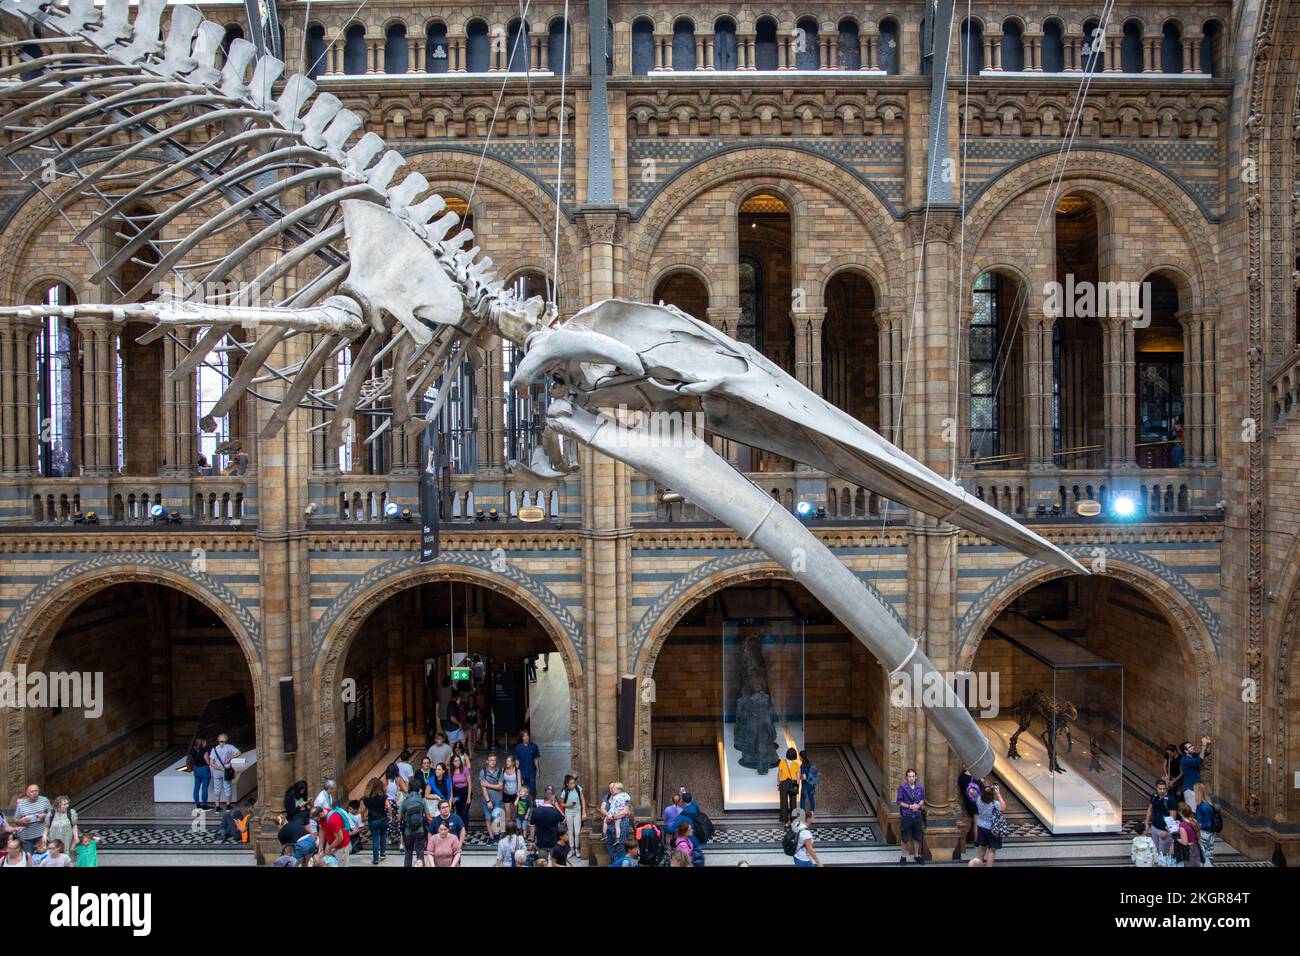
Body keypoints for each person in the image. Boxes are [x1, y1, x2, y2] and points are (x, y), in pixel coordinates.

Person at [1145, 778, 1179, 863]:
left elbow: (1173, 817)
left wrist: (1166, 831)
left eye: (1164, 788)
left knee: (1163, 854)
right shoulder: (1154, 796)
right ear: (1156, 788)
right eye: (1160, 788)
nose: (1162, 790)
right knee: (1155, 851)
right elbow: (1150, 809)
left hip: (1164, 830)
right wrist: (1146, 823)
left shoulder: (1171, 800)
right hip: (1154, 827)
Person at [207, 733, 242, 813]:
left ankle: (217, 807)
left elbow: (211, 763)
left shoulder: (214, 749)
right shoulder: (230, 747)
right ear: (226, 739)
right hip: (226, 770)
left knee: (217, 788)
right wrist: (231, 757)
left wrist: (219, 768)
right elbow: (239, 752)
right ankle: (228, 806)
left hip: (217, 771)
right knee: (227, 787)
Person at [897, 768, 926, 865]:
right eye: (909, 776)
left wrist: (918, 805)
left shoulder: (920, 787)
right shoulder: (902, 788)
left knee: (917, 837)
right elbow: (899, 802)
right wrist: (910, 806)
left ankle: (917, 856)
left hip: (917, 815)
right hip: (907, 816)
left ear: (916, 777)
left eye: (913, 776)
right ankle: (903, 857)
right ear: (906, 778)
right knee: (905, 837)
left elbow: (923, 799)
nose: (911, 778)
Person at [974, 778, 1006, 867]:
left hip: (981, 826)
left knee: (982, 846)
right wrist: (998, 793)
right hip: (992, 828)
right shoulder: (995, 804)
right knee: (992, 850)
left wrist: (986, 785)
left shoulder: (978, 801)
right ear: (992, 796)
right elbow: (1003, 807)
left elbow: (984, 793)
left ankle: (979, 863)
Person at [14, 783, 51, 853]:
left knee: (43, 857)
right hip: (26, 836)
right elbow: (16, 820)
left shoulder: (44, 800)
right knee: (28, 857)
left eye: (36, 791)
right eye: (32, 791)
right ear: (27, 793)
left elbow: (52, 814)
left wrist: (45, 815)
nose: (35, 793)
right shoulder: (21, 804)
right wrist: (22, 820)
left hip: (41, 834)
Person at [362, 778, 389, 865]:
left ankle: (375, 859)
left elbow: (364, 809)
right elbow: (389, 807)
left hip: (372, 820)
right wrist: (390, 816)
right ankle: (383, 854)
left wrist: (363, 816)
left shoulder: (365, 799)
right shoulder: (383, 797)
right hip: (383, 818)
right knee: (383, 835)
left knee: (375, 839)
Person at [1179, 736, 1212, 808]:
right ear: (1186, 751)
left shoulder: (1193, 755)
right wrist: (1203, 745)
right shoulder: (1184, 760)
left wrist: (1208, 744)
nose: (1193, 747)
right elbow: (1200, 759)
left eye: (1192, 745)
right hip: (1189, 789)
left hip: (1196, 788)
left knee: (1200, 809)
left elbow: (1207, 752)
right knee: (1193, 811)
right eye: (1190, 747)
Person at [530, 792, 566, 856]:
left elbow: (532, 827)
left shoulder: (535, 811)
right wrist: (557, 807)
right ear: (552, 801)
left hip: (541, 842)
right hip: (553, 842)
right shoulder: (555, 811)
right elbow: (564, 820)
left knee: (542, 863)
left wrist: (532, 841)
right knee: (554, 863)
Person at [559, 773, 587, 854]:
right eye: (571, 783)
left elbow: (583, 800)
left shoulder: (578, 788)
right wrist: (568, 805)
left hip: (577, 811)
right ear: (567, 784)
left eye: (574, 783)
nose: (573, 785)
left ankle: (577, 849)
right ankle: (572, 849)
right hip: (569, 812)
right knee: (570, 831)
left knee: (577, 832)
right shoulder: (564, 792)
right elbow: (561, 803)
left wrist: (584, 812)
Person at [479, 753, 505, 838]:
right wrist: (488, 800)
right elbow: (483, 787)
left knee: (497, 817)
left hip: (497, 798)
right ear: (487, 761)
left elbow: (500, 786)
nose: (493, 762)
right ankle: (491, 835)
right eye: (491, 760)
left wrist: (488, 784)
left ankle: (497, 834)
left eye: (494, 760)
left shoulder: (500, 771)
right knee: (488, 817)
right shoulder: (483, 772)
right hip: (486, 799)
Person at [602, 781, 632, 854]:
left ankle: (620, 862)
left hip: (621, 823)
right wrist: (608, 815)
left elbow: (625, 812)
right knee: (610, 845)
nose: (612, 790)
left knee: (620, 845)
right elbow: (602, 809)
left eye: (613, 788)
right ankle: (613, 862)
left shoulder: (623, 797)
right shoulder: (607, 797)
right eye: (610, 788)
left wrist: (612, 817)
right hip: (610, 824)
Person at [320, 799, 352, 866]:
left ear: (321, 814)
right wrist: (321, 846)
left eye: (316, 819)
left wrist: (329, 848)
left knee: (342, 864)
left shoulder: (333, 819)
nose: (317, 821)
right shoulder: (322, 815)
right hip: (332, 844)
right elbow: (322, 829)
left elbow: (340, 838)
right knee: (329, 863)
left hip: (342, 846)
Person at [1193, 782, 1216, 866]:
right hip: (1206, 833)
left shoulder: (1204, 806)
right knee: (1205, 856)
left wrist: (1197, 824)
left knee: (1205, 856)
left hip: (1205, 833)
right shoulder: (1203, 805)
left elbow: (1207, 824)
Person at [777, 747, 801, 825]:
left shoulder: (782, 762)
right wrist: (797, 786)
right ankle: (792, 821)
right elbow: (798, 776)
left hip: (783, 783)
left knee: (783, 802)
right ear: (794, 755)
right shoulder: (796, 764)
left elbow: (779, 774)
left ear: (787, 754)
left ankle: (785, 821)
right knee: (793, 803)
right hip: (793, 783)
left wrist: (778, 783)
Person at [188, 734, 212, 810]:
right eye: (205, 742)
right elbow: (208, 762)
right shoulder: (204, 751)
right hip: (204, 769)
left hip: (196, 769)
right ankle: (204, 805)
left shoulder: (192, 750)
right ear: (202, 742)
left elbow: (191, 760)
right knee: (204, 788)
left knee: (196, 787)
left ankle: (198, 804)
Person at [515, 730, 541, 796]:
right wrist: (516, 773)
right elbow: (517, 761)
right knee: (523, 790)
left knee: (532, 790)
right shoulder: (518, 747)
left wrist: (538, 771)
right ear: (521, 738)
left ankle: (533, 803)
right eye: (524, 736)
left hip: (532, 771)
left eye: (527, 735)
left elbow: (536, 759)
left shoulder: (534, 746)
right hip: (522, 772)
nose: (526, 737)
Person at [957, 768, 980, 843]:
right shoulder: (976, 777)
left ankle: (970, 838)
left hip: (968, 802)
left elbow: (961, 788)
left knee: (974, 821)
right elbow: (983, 788)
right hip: (976, 802)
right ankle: (977, 841)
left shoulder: (961, 776)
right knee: (977, 822)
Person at [798, 750, 819, 824]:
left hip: (805, 784)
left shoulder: (802, 766)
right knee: (811, 798)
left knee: (803, 799)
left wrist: (799, 778)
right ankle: (812, 813)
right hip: (812, 784)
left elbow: (803, 777)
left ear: (800, 757)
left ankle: (802, 815)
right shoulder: (811, 764)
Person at [449, 754, 471, 822]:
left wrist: (469, 797)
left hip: (465, 792)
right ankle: (460, 830)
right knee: (459, 812)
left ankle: (465, 831)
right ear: (452, 762)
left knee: (465, 813)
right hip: (457, 793)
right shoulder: (450, 771)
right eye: (455, 761)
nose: (457, 762)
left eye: (458, 760)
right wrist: (452, 797)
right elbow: (451, 785)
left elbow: (470, 784)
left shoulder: (465, 770)